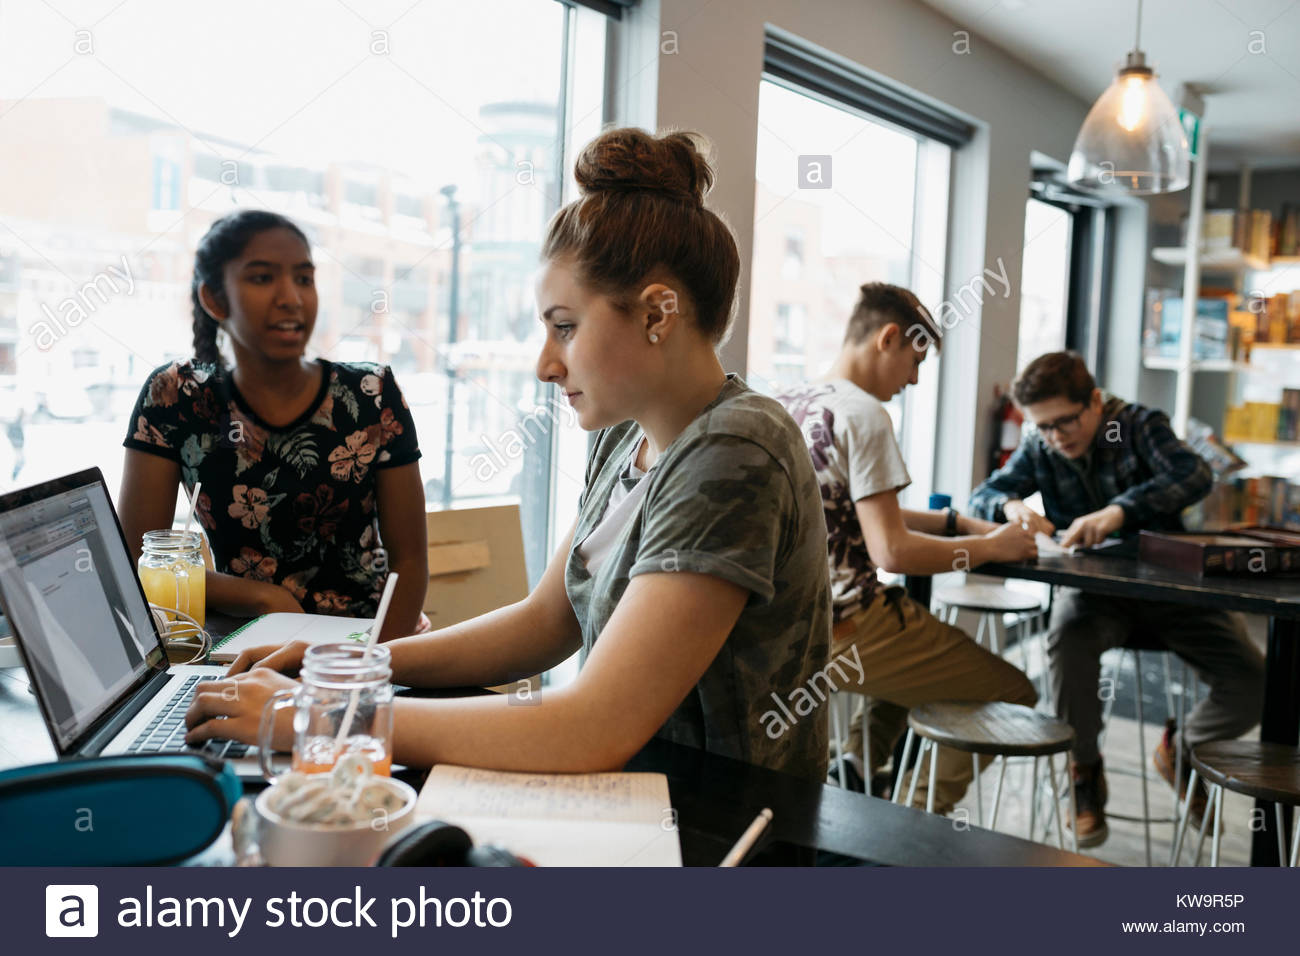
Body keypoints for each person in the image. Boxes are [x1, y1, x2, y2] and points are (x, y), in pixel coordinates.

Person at [185, 129, 833, 779]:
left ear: (656, 315)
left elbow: (593, 726)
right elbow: (544, 623)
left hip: (727, 825)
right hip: (636, 792)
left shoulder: (735, 449)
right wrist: (361, 664)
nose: (546, 364)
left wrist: (320, 716)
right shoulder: (625, 435)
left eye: (565, 327)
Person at [969, 350, 1266, 846]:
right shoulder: (1041, 446)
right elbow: (984, 493)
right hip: (1095, 596)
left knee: (1255, 682)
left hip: (1173, 590)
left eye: (1065, 421)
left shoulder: (1135, 425)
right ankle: (1084, 775)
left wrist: (1119, 512)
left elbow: (1194, 474)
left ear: (1095, 402)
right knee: (1067, 641)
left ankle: (1183, 750)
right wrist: (1010, 504)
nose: (1055, 437)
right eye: (1043, 427)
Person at [776, 282, 1038, 812]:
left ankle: (855, 762)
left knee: (927, 657)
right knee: (1013, 695)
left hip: (793, 622)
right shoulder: (866, 414)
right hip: (851, 625)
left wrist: (961, 525)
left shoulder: (787, 403)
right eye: (915, 361)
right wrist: (993, 550)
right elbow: (891, 551)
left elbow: (847, 509)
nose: (914, 380)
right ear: (889, 338)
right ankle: (916, 821)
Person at [118, 210, 428, 639]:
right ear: (215, 299)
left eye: (304, 278)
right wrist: (260, 597)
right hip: (238, 645)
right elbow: (135, 558)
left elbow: (409, 562)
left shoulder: (372, 393)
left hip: (359, 642)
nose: (291, 298)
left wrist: (378, 662)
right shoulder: (175, 396)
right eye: (263, 278)